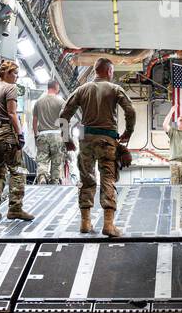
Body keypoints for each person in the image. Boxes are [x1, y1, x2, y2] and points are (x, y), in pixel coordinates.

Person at [60, 58, 135, 237]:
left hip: (86, 141)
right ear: (109, 71)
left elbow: (64, 115)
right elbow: (130, 111)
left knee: (86, 179)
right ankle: (108, 225)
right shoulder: (115, 89)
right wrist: (128, 132)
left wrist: (66, 139)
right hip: (107, 141)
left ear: (95, 71)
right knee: (107, 179)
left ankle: (85, 223)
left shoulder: (81, 89)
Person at [0, 59, 35, 221]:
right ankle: (15, 208)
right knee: (17, 171)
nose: (17, 78)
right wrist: (19, 134)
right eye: (15, 74)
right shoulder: (10, 88)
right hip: (6, 134)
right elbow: (12, 113)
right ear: (6, 73)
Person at [31, 82, 67, 184]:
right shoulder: (61, 102)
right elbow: (65, 120)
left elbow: (35, 119)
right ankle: (54, 181)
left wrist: (35, 134)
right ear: (56, 88)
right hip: (57, 134)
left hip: (43, 134)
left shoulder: (39, 101)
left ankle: (42, 176)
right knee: (56, 161)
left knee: (42, 159)